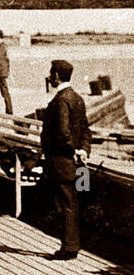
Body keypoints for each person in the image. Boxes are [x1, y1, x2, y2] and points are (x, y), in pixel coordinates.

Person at [39, 59, 89, 260]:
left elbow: (62, 132)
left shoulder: (60, 100)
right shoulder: (77, 98)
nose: (50, 77)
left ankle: (68, 247)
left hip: (61, 161)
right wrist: (84, 150)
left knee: (65, 203)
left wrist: (74, 150)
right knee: (74, 201)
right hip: (77, 162)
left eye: (51, 74)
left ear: (56, 76)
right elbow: (85, 128)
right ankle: (71, 244)